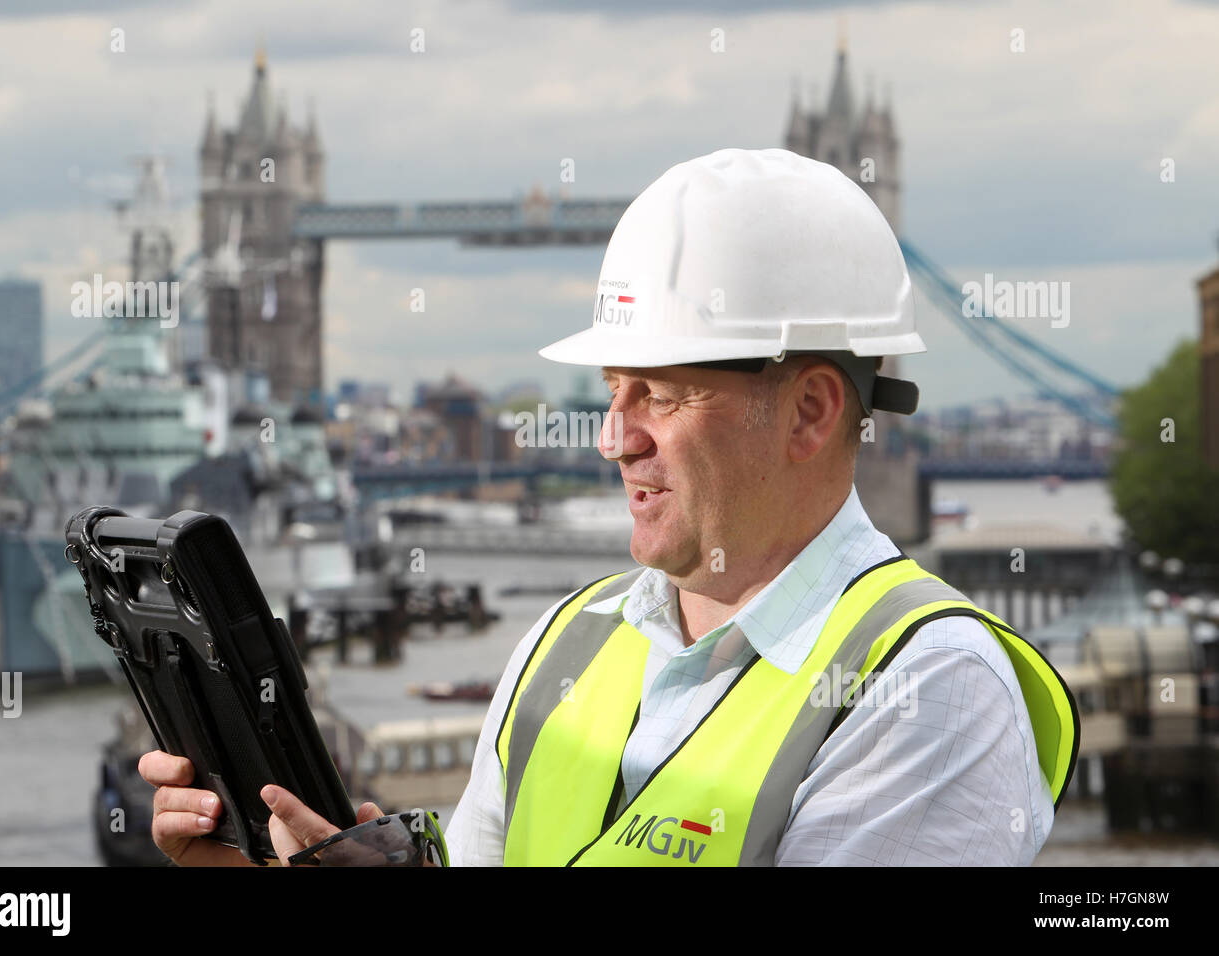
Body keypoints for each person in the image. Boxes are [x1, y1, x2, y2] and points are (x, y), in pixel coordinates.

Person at [141, 147, 1078, 866]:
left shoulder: (929, 692)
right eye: (612, 389)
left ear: (810, 411)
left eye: (661, 396)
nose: (612, 437)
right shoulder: (564, 644)